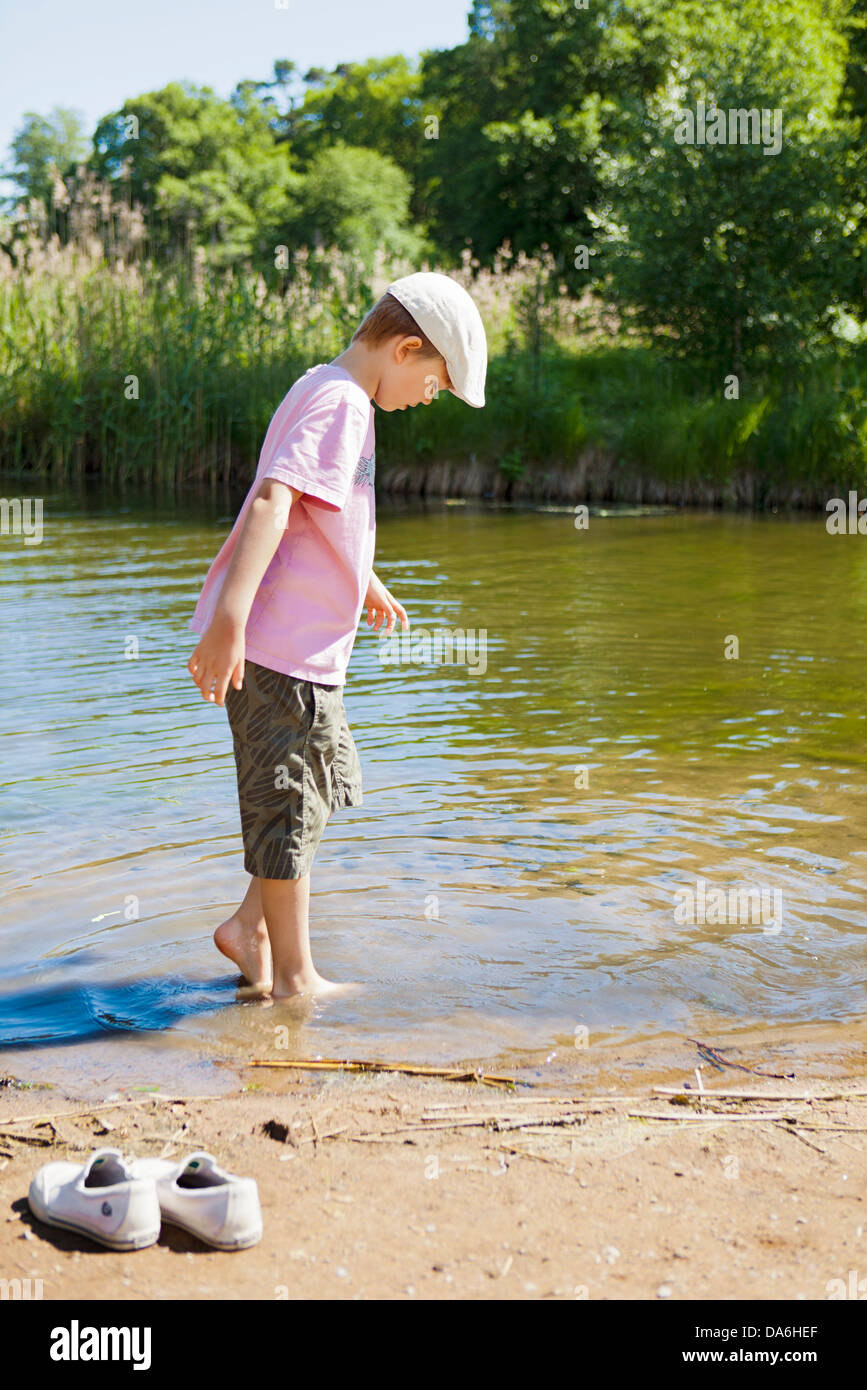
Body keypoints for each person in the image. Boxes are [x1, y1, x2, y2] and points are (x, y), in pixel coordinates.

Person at [186, 271, 488, 998]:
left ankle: (249, 929)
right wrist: (230, 619)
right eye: (434, 383)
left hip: (304, 655)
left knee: (313, 788)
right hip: (279, 652)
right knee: (288, 802)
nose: (428, 399)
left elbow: (322, 511)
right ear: (405, 347)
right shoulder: (343, 404)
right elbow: (270, 501)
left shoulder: (324, 387)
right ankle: (293, 978)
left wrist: (364, 578)